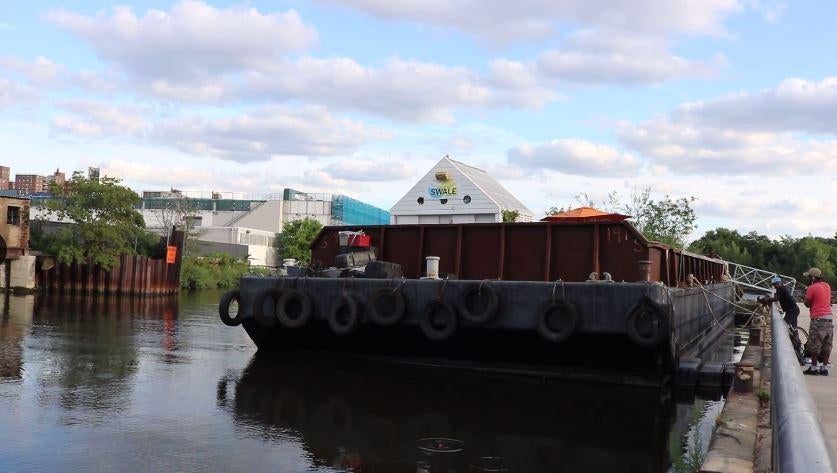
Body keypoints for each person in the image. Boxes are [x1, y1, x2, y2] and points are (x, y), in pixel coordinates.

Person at [803, 268, 833, 375]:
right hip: (829, 319)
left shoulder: (811, 287)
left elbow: (807, 304)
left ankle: (813, 368)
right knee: (827, 345)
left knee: (815, 345)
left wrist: (805, 294)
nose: (808, 279)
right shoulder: (827, 286)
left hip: (818, 319)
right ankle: (824, 369)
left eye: (809, 277)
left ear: (813, 277)